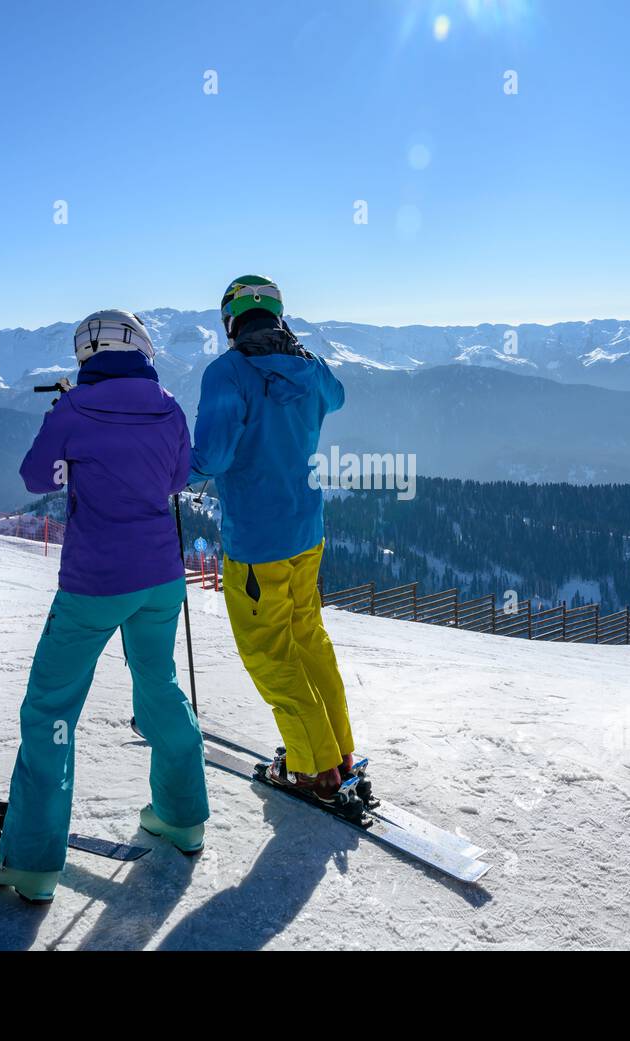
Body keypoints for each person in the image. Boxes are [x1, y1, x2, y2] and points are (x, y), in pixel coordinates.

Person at [0, 309, 209, 904]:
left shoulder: (74, 409)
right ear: (143, 350)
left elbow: (36, 478)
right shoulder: (171, 406)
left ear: (85, 356)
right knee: (160, 686)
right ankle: (182, 817)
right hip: (160, 576)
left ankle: (30, 861)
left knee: (51, 710)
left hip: (94, 583)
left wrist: (64, 420)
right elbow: (179, 477)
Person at [189, 276, 354, 802]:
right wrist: (299, 355)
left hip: (258, 543)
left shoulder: (227, 372)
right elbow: (339, 396)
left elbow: (209, 458)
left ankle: (314, 769)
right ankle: (338, 751)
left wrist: (170, 471)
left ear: (230, 322)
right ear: (279, 317)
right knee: (308, 638)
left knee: (269, 653)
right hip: (307, 531)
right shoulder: (309, 366)